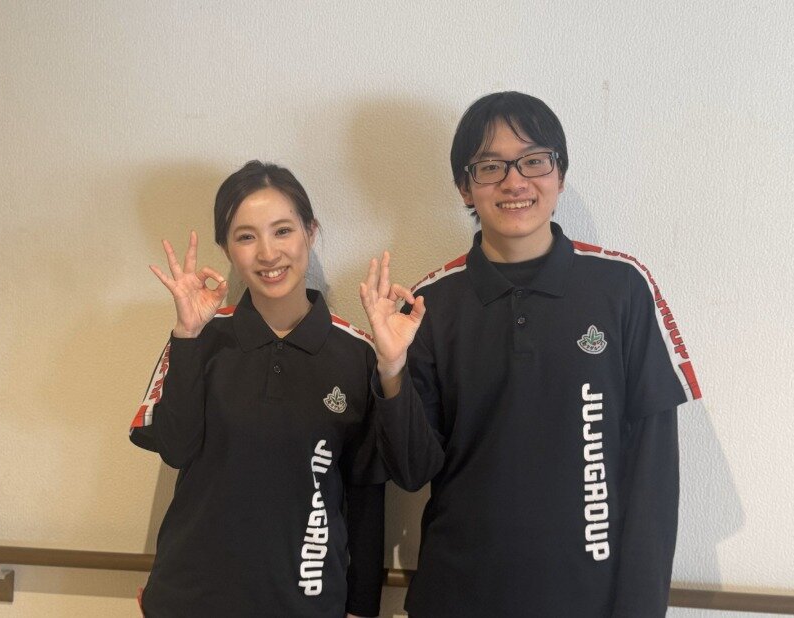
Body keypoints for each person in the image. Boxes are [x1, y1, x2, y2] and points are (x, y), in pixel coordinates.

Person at [360, 91, 702, 617]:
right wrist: (391, 369)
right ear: (464, 187)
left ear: (560, 175)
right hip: (456, 596)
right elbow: (410, 471)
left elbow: (654, 474)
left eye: (534, 161)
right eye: (490, 166)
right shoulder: (431, 305)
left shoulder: (621, 288)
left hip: (587, 598)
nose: (515, 182)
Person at [129, 161, 386, 617]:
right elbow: (176, 449)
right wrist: (186, 336)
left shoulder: (358, 353)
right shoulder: (200, 337)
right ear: (226, 249)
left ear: (310, 232)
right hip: (190, 599)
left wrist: (362, 605)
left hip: (305, 601)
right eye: (246, 237)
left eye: (282, 231)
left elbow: (366, 490)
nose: (268, 253)